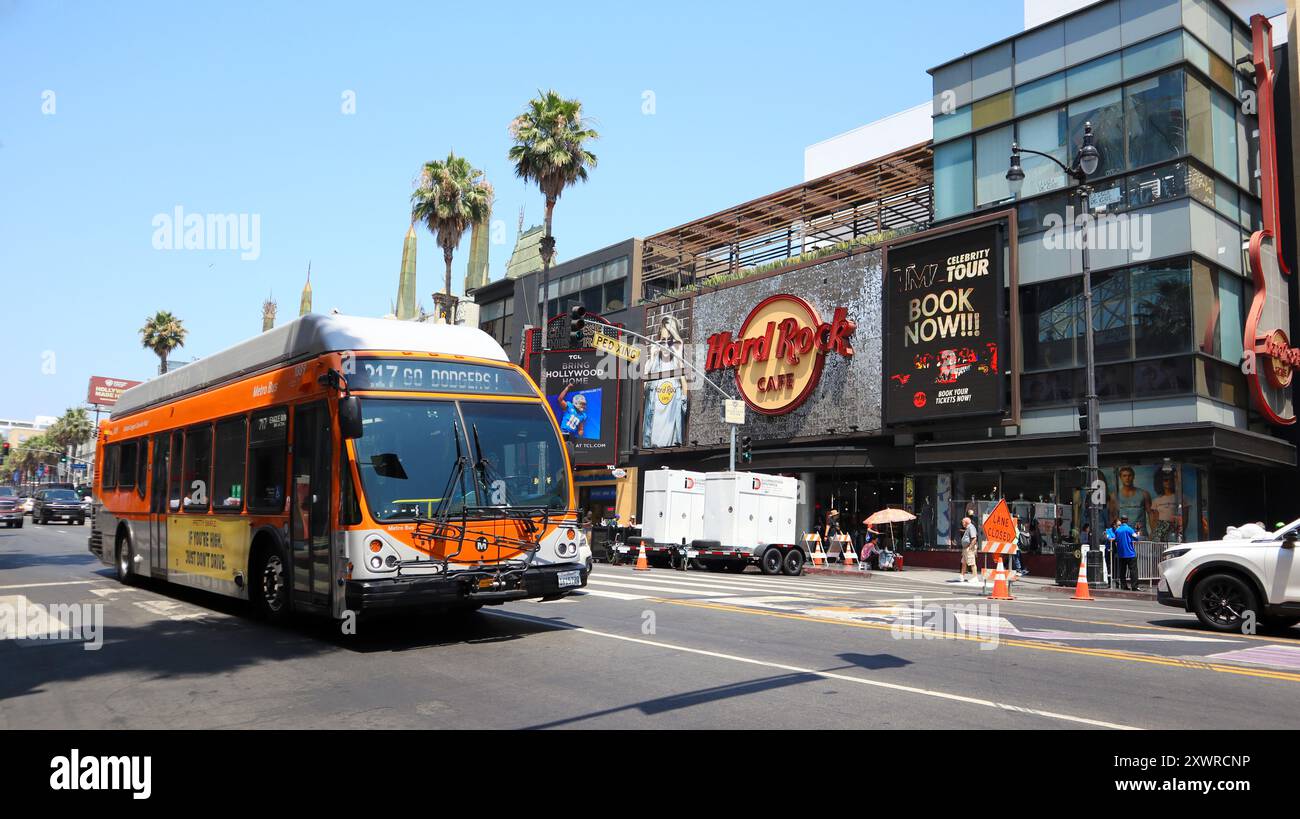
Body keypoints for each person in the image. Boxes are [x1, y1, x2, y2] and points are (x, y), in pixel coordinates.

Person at [1112, 515, 1139, 590]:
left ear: (1121, 520)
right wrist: (1138, 532)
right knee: (1133, 570)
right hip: (1130, 553)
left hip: (1121, 554)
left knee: (1122, 571)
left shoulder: (1117, 530)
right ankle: (1134, 586)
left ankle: (1123, 586)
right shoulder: (1129, 529)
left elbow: (1116, 540)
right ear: (1127, 520)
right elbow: (1136, 538)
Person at [959, 516, 978, 582]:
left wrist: (970, 548)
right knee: (964, 562)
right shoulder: (968, 528)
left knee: (972, 562)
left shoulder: (971, 527)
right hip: (965, 548)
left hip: (969, 548)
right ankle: (962, 576)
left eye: (963, 522)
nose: (962, 524)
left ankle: (975, 577)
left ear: (966, 522)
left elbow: (974, 538)